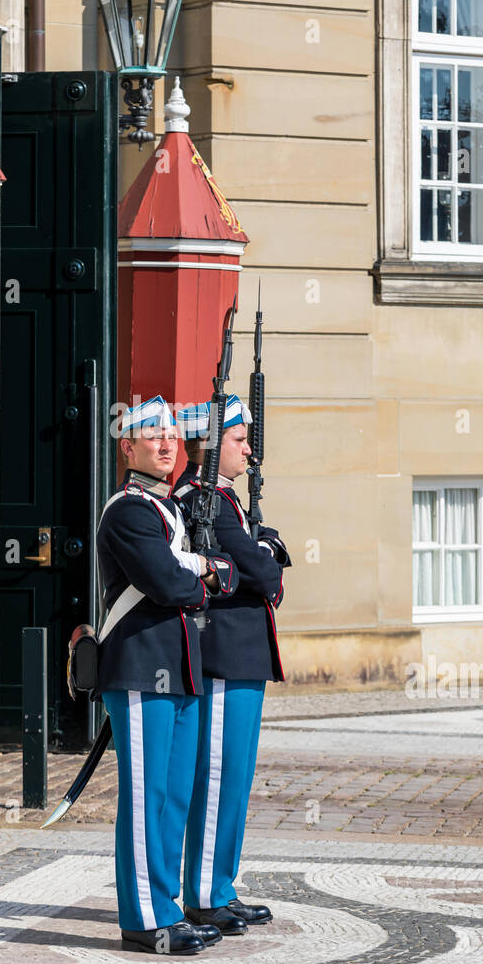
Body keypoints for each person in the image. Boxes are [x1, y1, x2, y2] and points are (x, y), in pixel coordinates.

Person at [97, 395, 239, 954]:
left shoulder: (173, 512)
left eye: (173, 435)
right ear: (128, 447)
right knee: (146, 797)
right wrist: (203, 570)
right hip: (139, 669)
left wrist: (202, 571)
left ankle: (168, 907)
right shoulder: (129, 510)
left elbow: (217, 579)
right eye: (152, 434)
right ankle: (143, 919)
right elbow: (168, 583)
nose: (166, 443)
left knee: (175, 795)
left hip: (179, 669)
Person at [173, 395, 291, 933]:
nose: (249, 449)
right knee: (217, 777)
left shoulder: (224, 500)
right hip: (223, 657)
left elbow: (257, 570)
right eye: (239, 439)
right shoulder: (206, 501)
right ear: (211, 443)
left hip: (243, 659)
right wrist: (264, 557)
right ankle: (202, 891)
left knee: (236, 779)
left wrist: (260, 553)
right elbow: (264, 578)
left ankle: (220, 884)